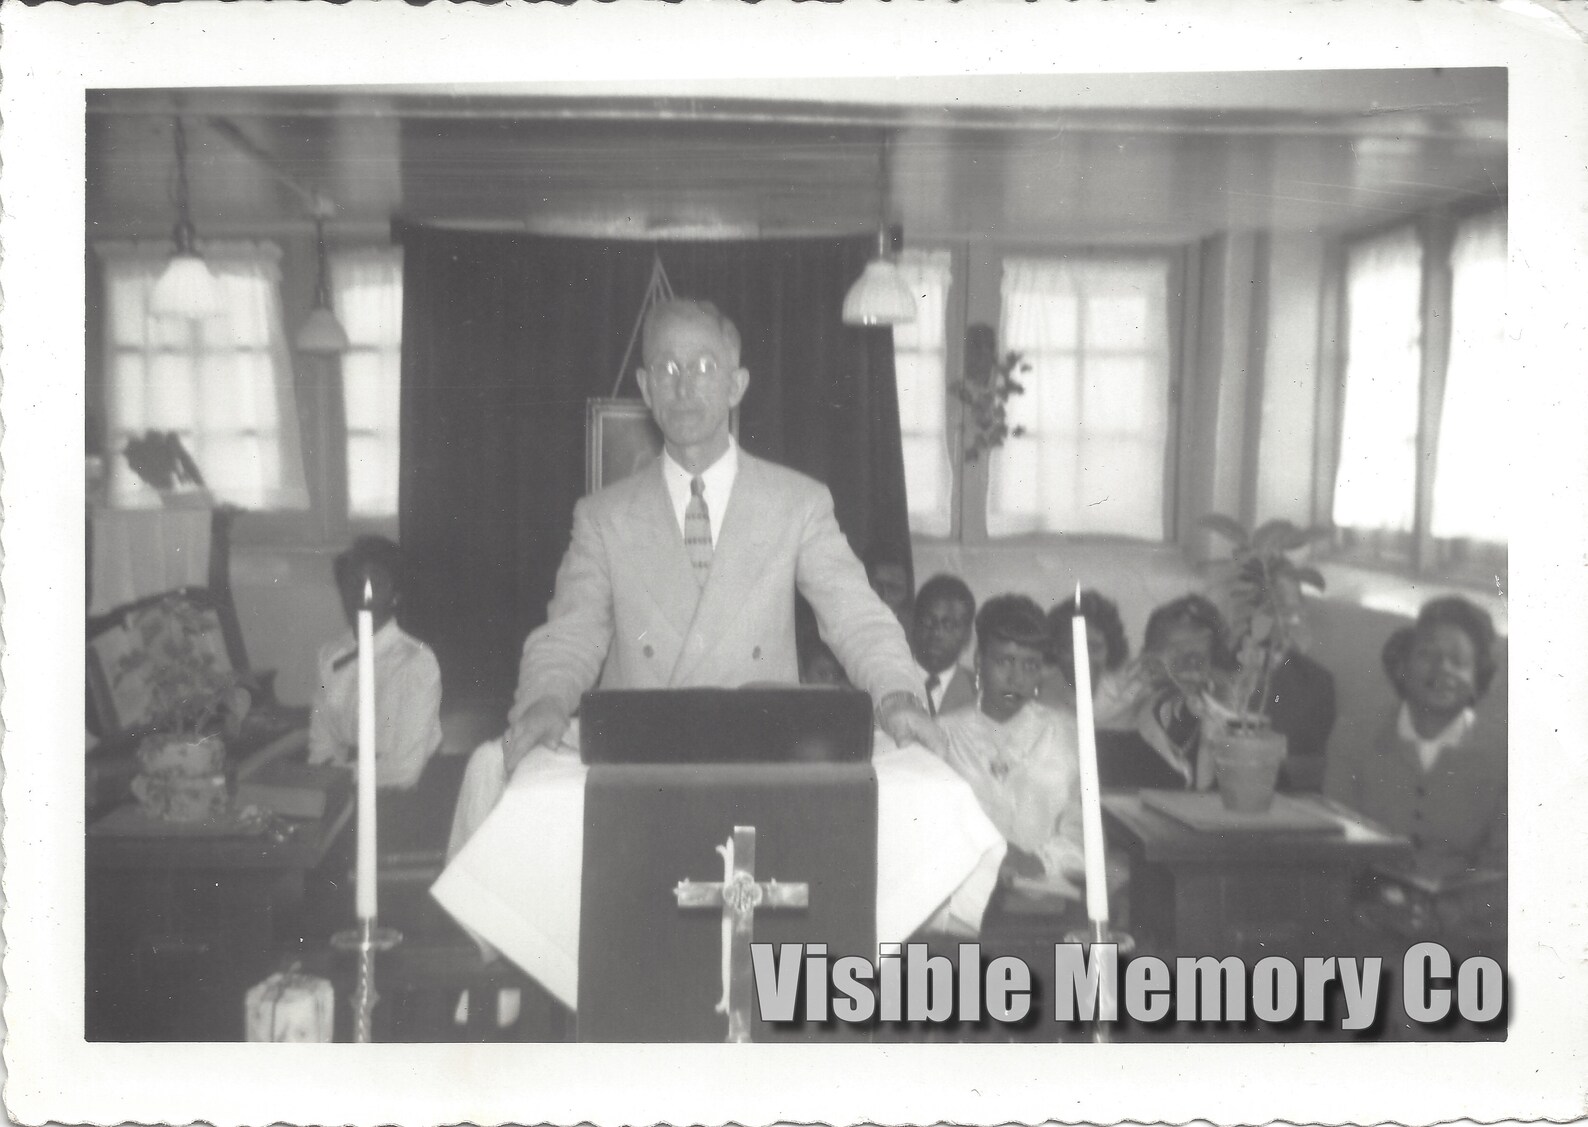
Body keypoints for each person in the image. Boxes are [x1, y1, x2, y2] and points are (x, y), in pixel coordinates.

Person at [448, 298, 942, 852]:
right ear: (645, 387)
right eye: (667, 369)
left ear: (736, 385)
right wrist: (542, 703)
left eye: (705, 368)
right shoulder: (602, 517)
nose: (685, 387)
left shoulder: (798, 503)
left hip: (760, 765)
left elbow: (859, 620)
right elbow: (569, 640)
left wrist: (898, 696)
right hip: (638, 775)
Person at [1328, 597, 1506, 876]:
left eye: (1459, 661)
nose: (1444, 669)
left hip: (1458, 914)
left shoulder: (1504, 759)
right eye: (1428, 655)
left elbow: (1500, 871)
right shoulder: (1353, 736)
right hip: (1359, 905)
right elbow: (1335, 842)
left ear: (1477, 680)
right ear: (1402, 666)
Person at [935, 595, 1086, 893]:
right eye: (1004, 661)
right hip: (962, 892)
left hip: (1043, 894)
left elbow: (1082, 834)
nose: (1016, 678)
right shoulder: (944, 734)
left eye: (1030, 666)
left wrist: (1039, 861)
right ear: (979, 661)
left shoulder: (1066, 734)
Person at [308, 535, 443, 791]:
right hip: (340, 790)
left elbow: (405, 769)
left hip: (398, 796)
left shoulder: (416, 663)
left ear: (396, 596)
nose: (361, 595)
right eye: (352, 582)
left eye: (375, 583)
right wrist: (326, 782)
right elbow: (321, 745)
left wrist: (340, 777)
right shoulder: (330, 654)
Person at [1097, 593, 1234, 791]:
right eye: (1177, 654)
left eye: (1200, 657)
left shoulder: (1230, 733)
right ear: (1148, 661)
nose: (1190, 667)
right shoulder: (1113, 735)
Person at [1040, 588, 1135, 727]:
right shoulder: (1038, 698)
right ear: (1056, 650)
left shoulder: (1127, 695)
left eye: (1094, 648)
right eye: (1073, 647)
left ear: (1110, 649)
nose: (1084, 658)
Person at [910, 573, 977, 717]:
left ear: (967, 636)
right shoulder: (886, 679)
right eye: (928, 621)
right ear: (914, 624)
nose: (937, 633)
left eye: (950, 626)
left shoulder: (982, 694)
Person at [865, 551, 914, 629]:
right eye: (879, 585)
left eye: (894, 588)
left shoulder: (913, 629)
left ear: (906, 591)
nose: (885, 595)